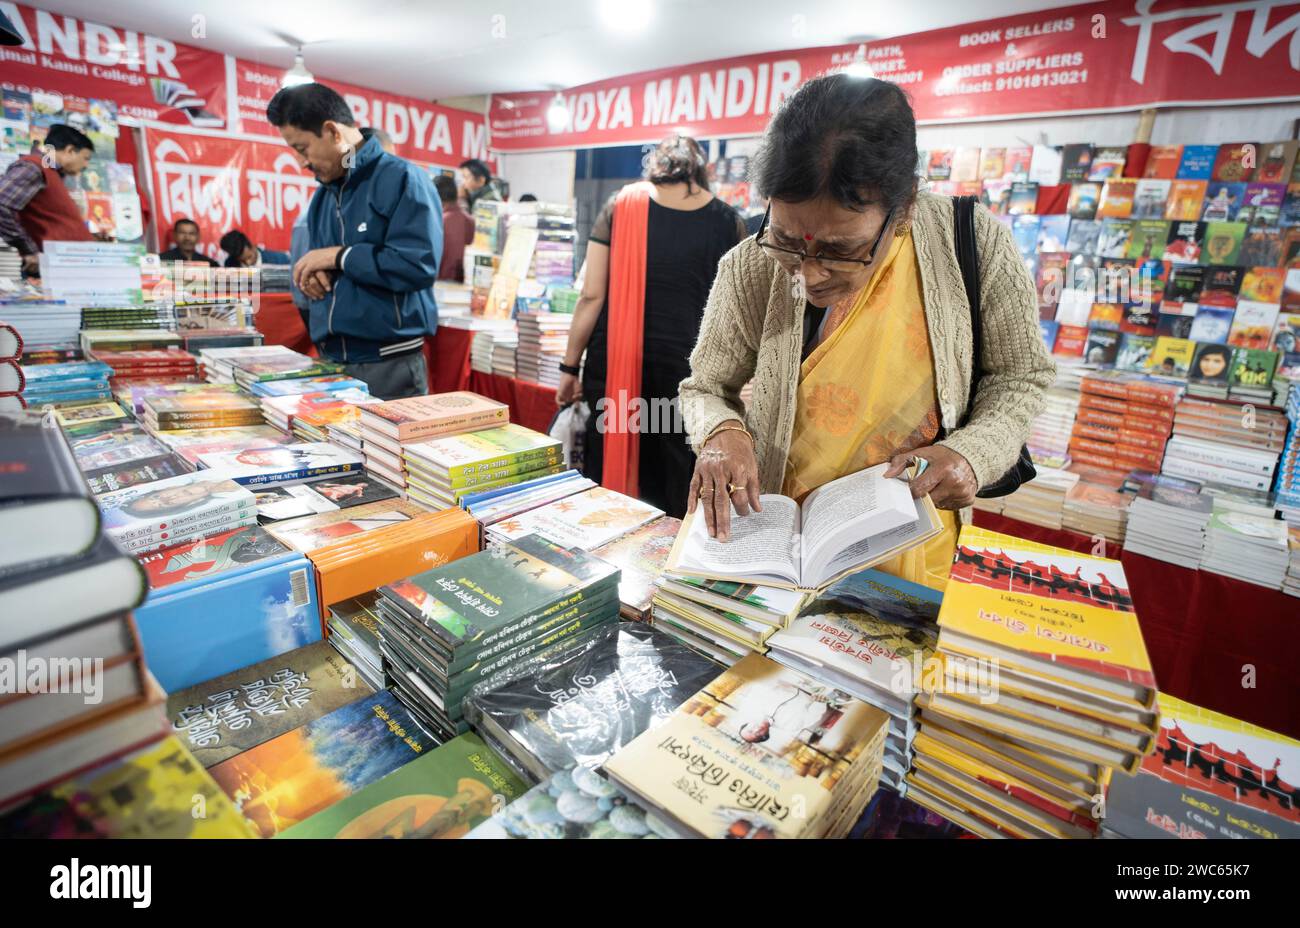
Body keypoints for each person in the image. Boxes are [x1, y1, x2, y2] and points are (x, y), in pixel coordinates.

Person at [678, 74, 1053, 590]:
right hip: (775, 549)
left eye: (839, 250)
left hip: (915, 546)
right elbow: (705, 386)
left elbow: (1020, 377)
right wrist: (722, 433)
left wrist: (973, 454)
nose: (808, 274)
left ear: (904, 209)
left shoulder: (974, 242)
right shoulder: (752, 265)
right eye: (787, 239)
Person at [555, 135, 747, 519]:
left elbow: (591, 295)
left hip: (618, 375)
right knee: (676, 470)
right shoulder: (729, 222)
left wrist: (568, 368)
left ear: (656, 166)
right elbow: (736, 311)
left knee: (615, 463)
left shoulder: (620, 206)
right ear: (701, 169)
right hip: (687, 379)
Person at [267, 83, 442, 400]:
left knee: (391, 450)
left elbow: (417, 265)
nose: (300, 162)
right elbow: (323, 265)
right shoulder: (323, 196)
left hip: (388, 364)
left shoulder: (403, 179)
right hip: (332, 363)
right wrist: (313, 276)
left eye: (303, 148)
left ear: (333, 132)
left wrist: (339, 257)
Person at [0, 124, 95, 275]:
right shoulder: (33, 167)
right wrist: (28, 250)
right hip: (54, 269)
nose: (86, 165)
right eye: (85, 158)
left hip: (70, 268)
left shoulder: (52, 174)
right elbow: (2, 204)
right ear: (70, 150)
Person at [434, 174, 474, 282]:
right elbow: (469, 241)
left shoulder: (438, 220)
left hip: (439, 278)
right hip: (459, 278)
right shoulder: (468, 219)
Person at [219, 229, 291, 268]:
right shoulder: (230, 265)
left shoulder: (280, 260)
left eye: (249, 257)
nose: (248, 262)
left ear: (253, 246)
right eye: (243, 261)